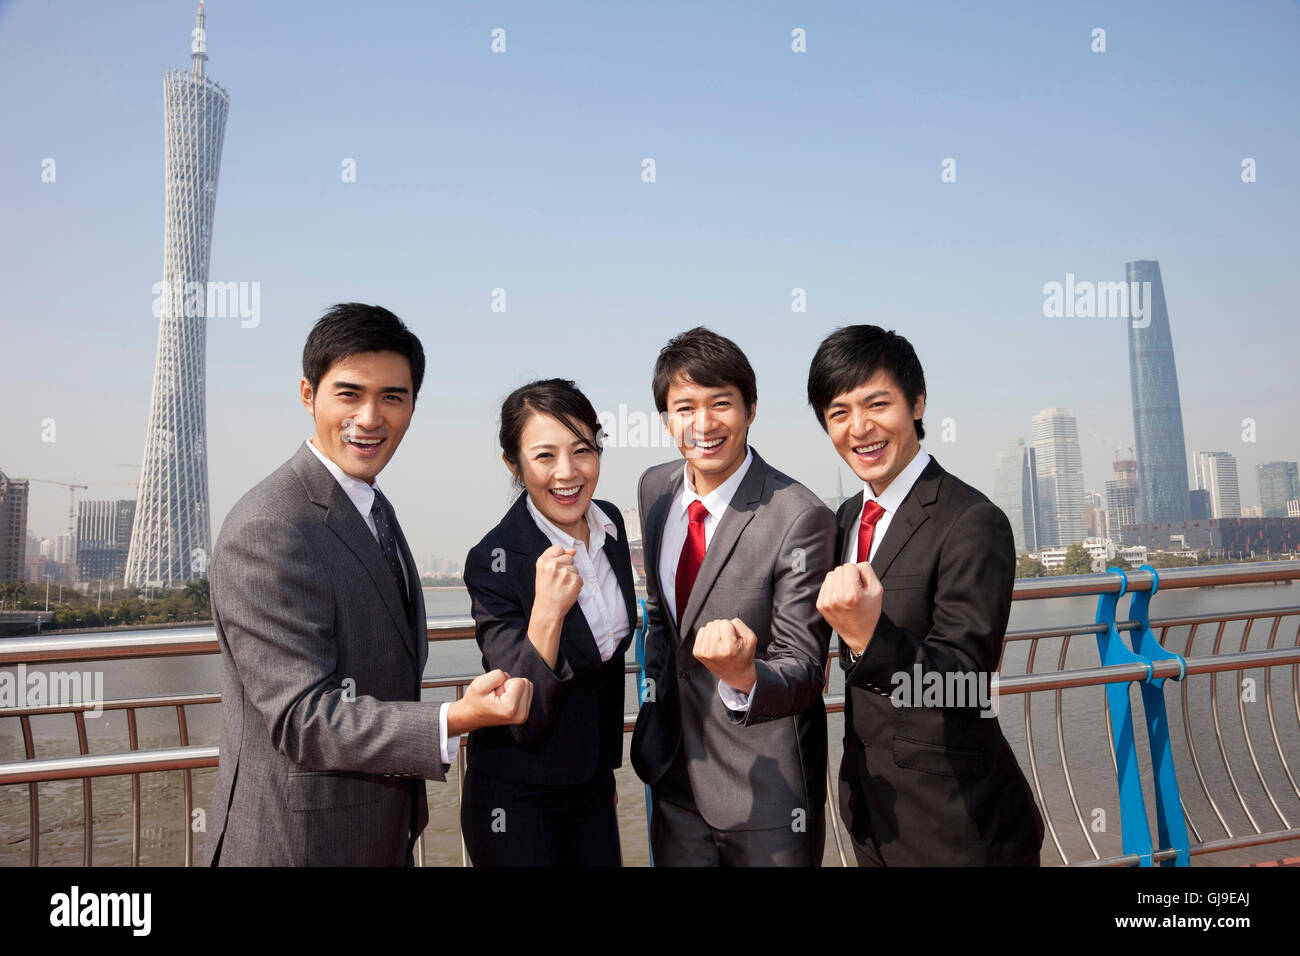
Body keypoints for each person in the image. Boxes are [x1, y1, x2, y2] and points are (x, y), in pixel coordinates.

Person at [203, 303, 533, 867]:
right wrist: (455, 718)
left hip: (372, 833)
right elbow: (305, 719)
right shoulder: (270, 525)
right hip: (296, 845)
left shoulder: (369, 505)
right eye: (349, 394)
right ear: (308, 394)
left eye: (393, 398)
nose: (370, 417)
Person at [809, 324, 1045, 866]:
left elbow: (967, 681)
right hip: (874, 811)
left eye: (877, 404)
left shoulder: (971, 520)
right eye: (838, 413)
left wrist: (871, 635)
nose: (860, 428)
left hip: (958, 820)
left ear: (917, 403)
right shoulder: (846, 519)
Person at [631, 327, 836, 866]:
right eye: (684, 407)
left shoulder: (799, 516)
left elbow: (806, 666)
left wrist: (745, 674)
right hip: (674, 771)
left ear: (750, 409)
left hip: (765, 788)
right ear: (665, 419)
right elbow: (660, 616)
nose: (703, 424)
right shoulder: (654, 489)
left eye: (721, 403)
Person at [460, 379, 636, 867]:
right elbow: (522, 714)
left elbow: (605, 668)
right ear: (513, 464)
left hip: (591, 787)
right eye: (544, 456)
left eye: (583, 450)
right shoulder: (492, 559)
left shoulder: (612, 526)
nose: (567, 472)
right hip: (517, 794)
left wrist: (604, 775)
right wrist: (547, 613)